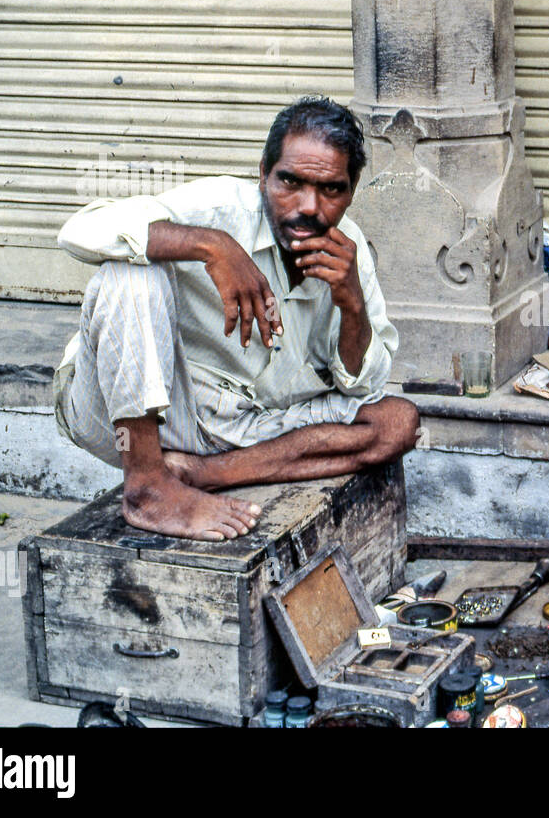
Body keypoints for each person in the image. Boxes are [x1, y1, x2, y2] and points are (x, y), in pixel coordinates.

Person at [53, 96, 419, 542]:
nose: (308, 206)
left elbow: (362, 386)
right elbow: (79, 231)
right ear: (263, 173)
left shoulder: (349, 250)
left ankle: (204, 474)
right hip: (158, 412)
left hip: (252, 422)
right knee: (126, 276)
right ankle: (147, 486)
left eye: (331, 189)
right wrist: (213, 247)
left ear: (352, 189)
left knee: (397, 421)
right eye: (290, 181)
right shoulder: (220, 208)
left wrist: (352, 304)